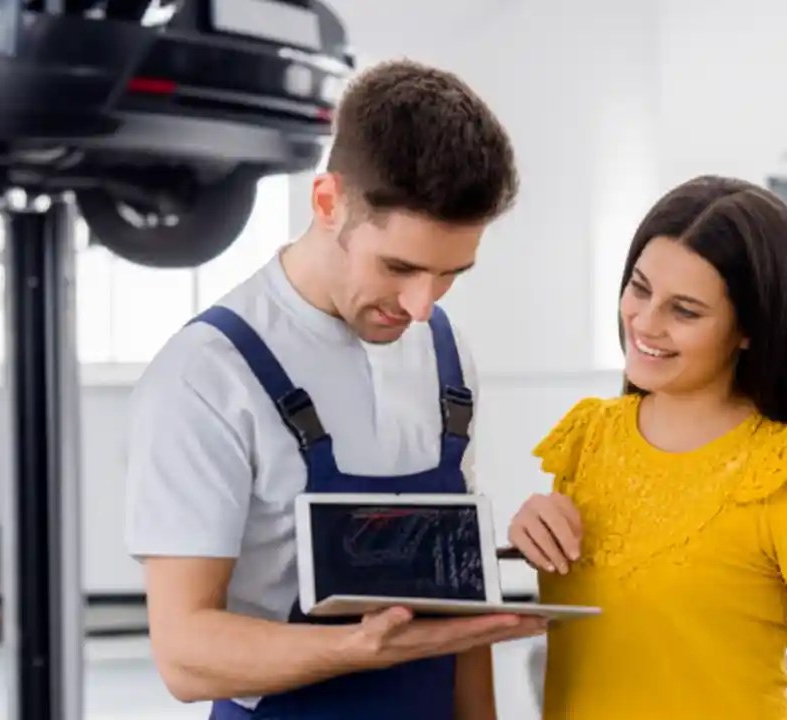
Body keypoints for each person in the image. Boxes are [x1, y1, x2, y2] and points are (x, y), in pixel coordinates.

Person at [123, 59, 545, 720]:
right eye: (398, 266)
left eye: (450, 273)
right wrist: (360, 648)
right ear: (327, 202)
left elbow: (463, 614)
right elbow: (184, 652)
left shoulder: (445, 351)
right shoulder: (208, 374)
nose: (421, 305)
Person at [507, 176, 787, 719]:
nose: (645, 323)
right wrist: (530, 529)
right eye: (640, 287)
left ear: (749, 328)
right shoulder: (587, 440)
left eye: (685, 311)